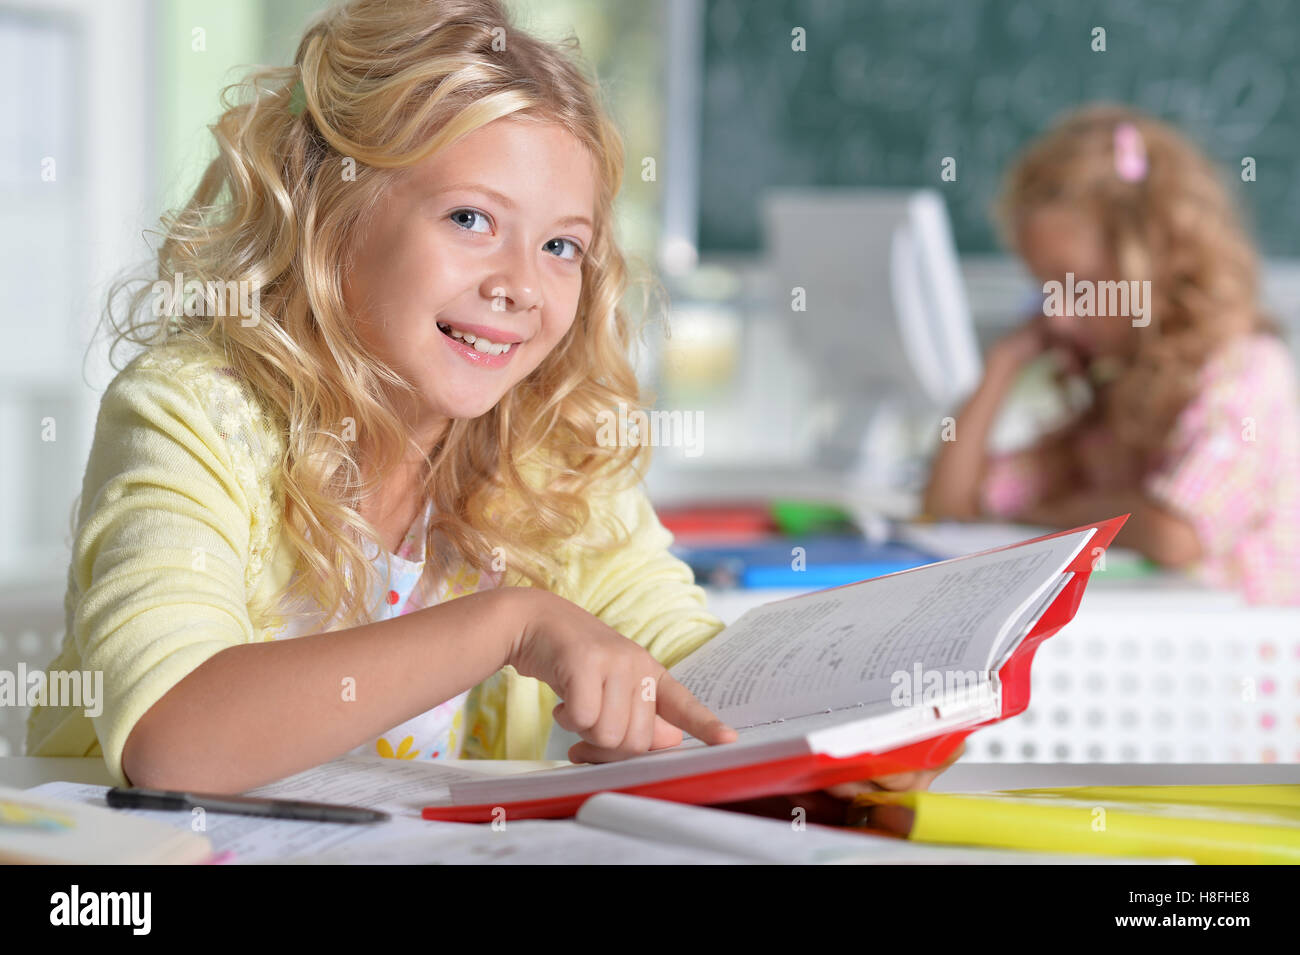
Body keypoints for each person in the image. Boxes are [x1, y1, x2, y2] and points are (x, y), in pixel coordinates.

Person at [28, 0, 952, 811]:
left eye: (561, 246)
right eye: (472, 220)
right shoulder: (198, 410)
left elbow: (685, 659)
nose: (520, 284)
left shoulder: (549, 449)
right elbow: (172, 739)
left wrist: (858, 729)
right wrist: (509, 621)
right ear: (332, 215)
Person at [925, 104, 1300, 605]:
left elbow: (1175, 532)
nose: (1055, 316)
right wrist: (1004, 363)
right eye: (1043, 289)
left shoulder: (1249, 369)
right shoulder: (1113, 391)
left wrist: (1058, 513)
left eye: (1077, 286)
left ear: (1152, 265)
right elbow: (952, 505)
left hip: (1251, 670)